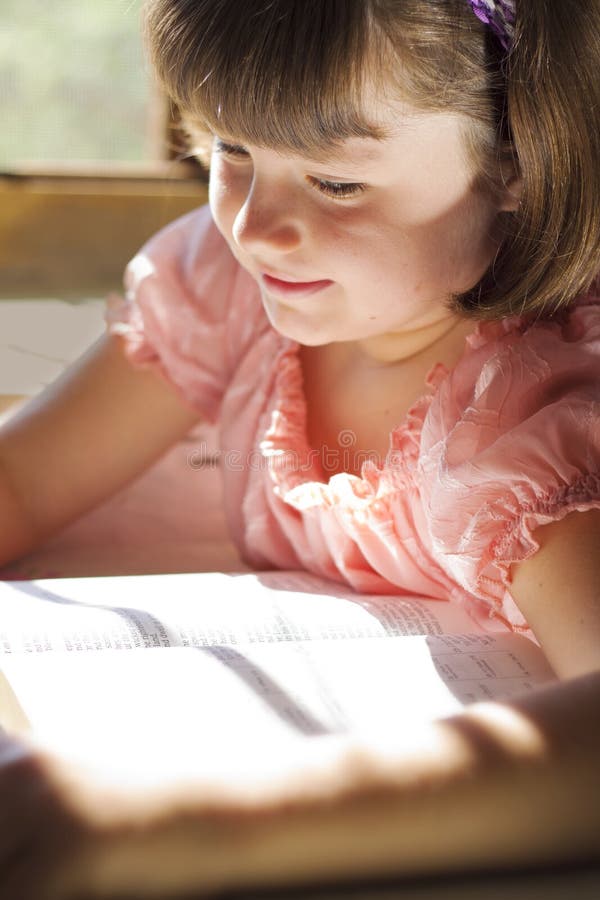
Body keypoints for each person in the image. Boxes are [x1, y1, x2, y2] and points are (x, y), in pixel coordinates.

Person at [0, 0, 599, 896]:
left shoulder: (525, 422)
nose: (254, 227)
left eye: (336, 183)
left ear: (516, 160)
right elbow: (20, 480)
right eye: (232, 151)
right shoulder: (234, 289)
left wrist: (144, 825)